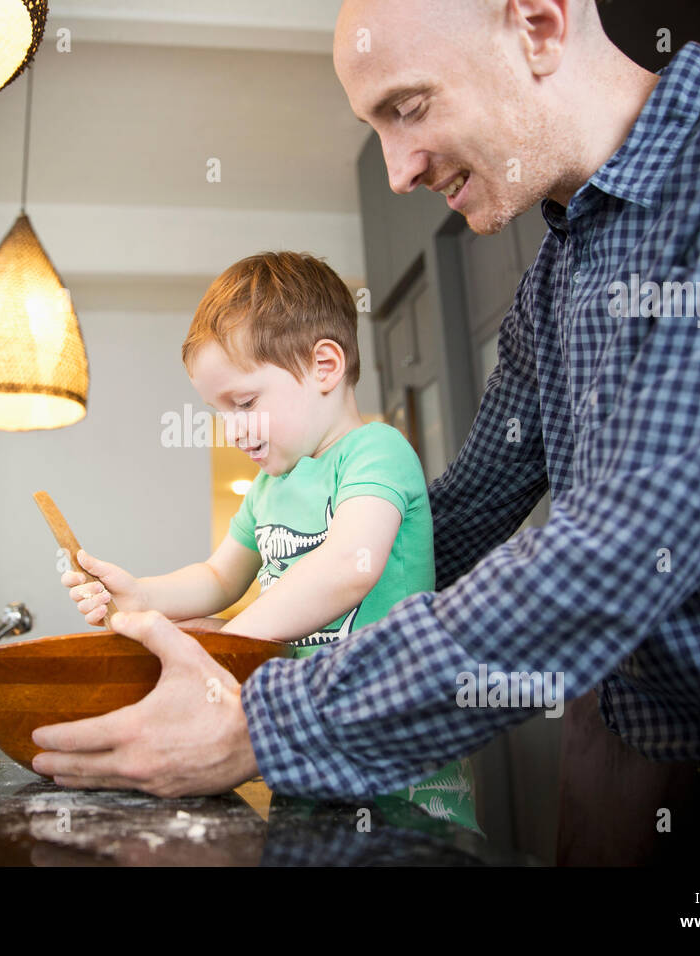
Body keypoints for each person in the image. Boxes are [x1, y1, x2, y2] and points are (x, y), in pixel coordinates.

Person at [32, 0, 700, 863]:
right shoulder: (554, 283)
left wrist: (263, 716)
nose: (396, 171)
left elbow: (620, 544)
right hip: (649, 754)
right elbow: (456, 515)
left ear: (538, 26)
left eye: (408, 107)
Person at [62, 251, 478, 831]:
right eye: (219, 411)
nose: (234, 429)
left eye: (246, 403)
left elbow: (348, 567)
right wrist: (142, 597)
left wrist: (226, 646)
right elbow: (217, 578)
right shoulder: (268, 487)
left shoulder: (375, 451)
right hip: (305, 742)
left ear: (325, 366)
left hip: (397, 752)